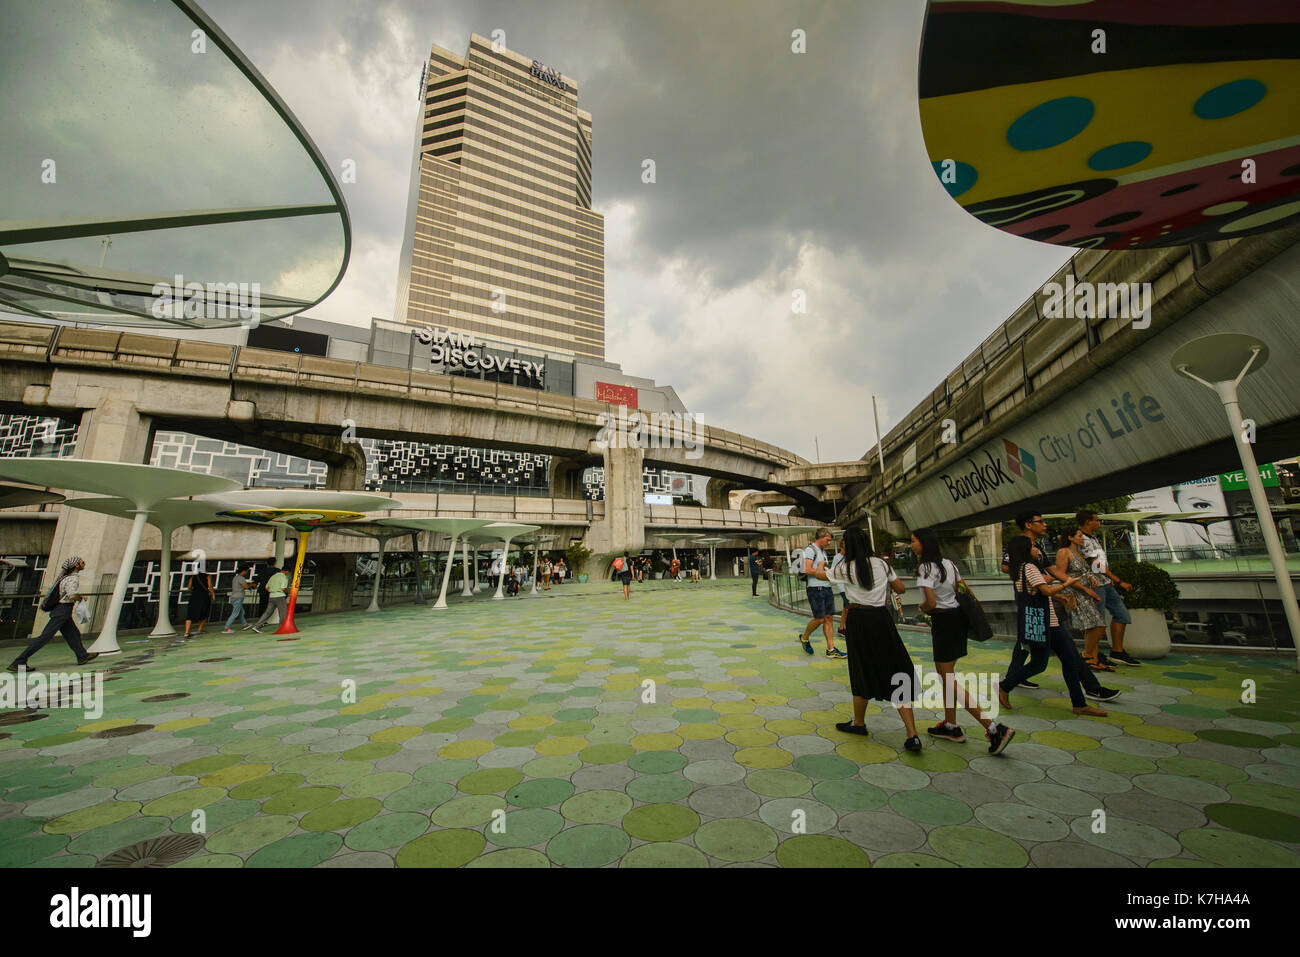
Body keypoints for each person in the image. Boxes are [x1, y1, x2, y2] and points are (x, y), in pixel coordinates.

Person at [810, 527, 923, 750]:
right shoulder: (882, 563)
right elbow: (900, 588)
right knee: (895, 668)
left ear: (848, 545)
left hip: (859, 619)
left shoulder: (844, 566)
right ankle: (912, 733)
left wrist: (821, 564)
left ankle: (859, 722)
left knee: (860, 667)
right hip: (881, 619)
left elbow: (820, 575)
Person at [911, 527, 1015, 752]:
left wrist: (920, 608)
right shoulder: (949, 563)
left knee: (948, 679)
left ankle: (994, 728)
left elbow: (931, 603)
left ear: (923, 544)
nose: (912, 545)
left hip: (944, 622)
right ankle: (950, 725)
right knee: (945, 675)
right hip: (958, 619)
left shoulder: (925, 568)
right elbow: (964, 588)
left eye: (914, 541)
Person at [1000, 537, 1107, 716]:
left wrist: (1054, 591)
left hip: (1047, 621)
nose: (1037, 550)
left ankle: (1079, 703)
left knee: (1068, 660)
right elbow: (1045, 591)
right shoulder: (1030, 567)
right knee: (1039, 664)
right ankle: (1005, 686)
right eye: (1033, 547)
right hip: (1045, 622)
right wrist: (1067, 584)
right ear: (1025, 549)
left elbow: (1037, 590)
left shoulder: (1019, 568)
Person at [8, 557, 98, 671]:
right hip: (62, 611)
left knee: (73, 634)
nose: (84, 563)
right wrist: (81, 598)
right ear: (76, 565)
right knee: (45, 637)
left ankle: (82, 656)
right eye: (82, 562)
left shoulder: (65, 577)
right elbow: (72, 595)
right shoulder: (72, 579)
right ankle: (19, 661)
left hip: (62, 611)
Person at [1077, 510, 1141, 665]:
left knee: (1121, 614)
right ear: (1088, 522)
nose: (1099, 523)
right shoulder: (1082, 539)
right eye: (1096, 520)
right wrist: (1119, 581)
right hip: (1094, 583)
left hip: (1104, 582)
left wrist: (1108, 578)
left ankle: (1117, 651)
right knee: (1097, 622)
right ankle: (1093, 655)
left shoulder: (1093, 538)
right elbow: (1095, 564)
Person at [1056, 527, 1111, 671]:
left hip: (1085, 592)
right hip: (1075, 593)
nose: (1082, 538)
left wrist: (1091, 580)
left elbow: (1083, 571)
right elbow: (1061, 575)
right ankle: (1086, 655)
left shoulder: (1078, 553)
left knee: (1092, 626)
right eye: (1079, 536)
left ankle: (1092, 659)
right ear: (1070, 538)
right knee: (1098, 625)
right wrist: (1085, 588)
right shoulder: (1064, 552)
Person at [798, 528, 845, 659]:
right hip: (815, 588)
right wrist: (822, 572)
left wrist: (826, 573)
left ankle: (831, 649)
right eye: (828, 540)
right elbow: (807, 569)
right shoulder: (810, 550)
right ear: (821, 537)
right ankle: (805, 637)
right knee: (820, 618)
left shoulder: (823, 552)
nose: (829, 543)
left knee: (829, 618)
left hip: (826, 587)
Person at [249, 564, 288, 634]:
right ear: (287, 571)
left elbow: (267, 587)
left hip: (272, 596)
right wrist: (289, 592)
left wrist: (273, 591)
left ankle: (257, 626)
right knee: (283, 613)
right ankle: (281, 628)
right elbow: (283, 588)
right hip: (280, 596)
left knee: (267, 612)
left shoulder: (273, 576)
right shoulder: (283, 577)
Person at [183, 568, 215, 638]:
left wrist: (195, 589)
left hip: (194, 596)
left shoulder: (193, 577)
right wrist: (213, 594)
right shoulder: (208, 576)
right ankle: (200, 629)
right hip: (204, 596)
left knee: (190, 613)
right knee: (205, 611)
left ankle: (187, 632)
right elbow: (210, 586)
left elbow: (189, 587)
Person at [222, 566, 254, 633]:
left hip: (234, 597)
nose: (246, 572)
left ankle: (245, 624)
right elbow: (246, 586)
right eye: (246, 571)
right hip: (238, 597)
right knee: (235, 613)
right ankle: (226, 628)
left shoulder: (235, 577)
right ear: (243, 571)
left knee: (241, 612)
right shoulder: (241, 578)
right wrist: (251, 585)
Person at [830, 538, 849, 637]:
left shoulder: (850, 557)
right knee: (847, 606)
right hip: (842, 587)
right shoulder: (837, 557)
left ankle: (842, 628)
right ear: (842, 545)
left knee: (847, 608)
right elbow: (833, 571)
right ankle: (842, 628)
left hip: (850, 587)